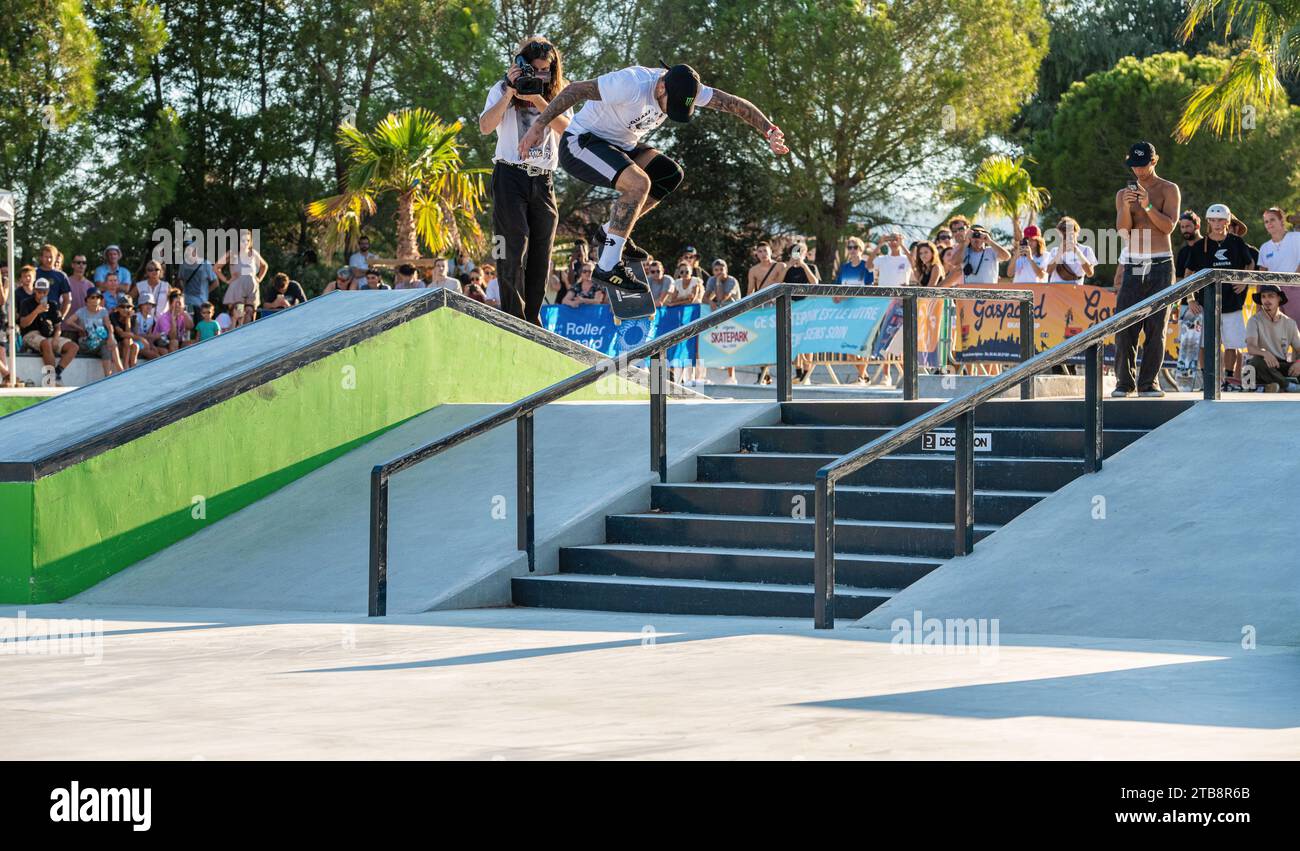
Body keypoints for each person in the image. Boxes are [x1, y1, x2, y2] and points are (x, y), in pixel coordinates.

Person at [519, 62, 788, 299]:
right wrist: (538, 127)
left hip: (620, 146)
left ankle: (608, 233)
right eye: (667, 107)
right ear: (661, 87)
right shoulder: (631, 83)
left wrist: (770, 130)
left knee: (670, 175)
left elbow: (733, 104)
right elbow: (574, 89)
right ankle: (607, 266)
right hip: (582, 143)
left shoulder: (686, 87)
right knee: (638, 184)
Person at [481, 36, 570, 324]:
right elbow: (484, 126)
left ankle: (532, 319)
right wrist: (510, 92)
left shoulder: (559, 94)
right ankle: (513, 317)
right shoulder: (501, 89)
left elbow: (568, 132)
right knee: (510, 246)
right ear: (522, 66)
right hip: (510, 175)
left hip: (543, 180)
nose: (541, 76)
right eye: (535, 70)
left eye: (547, 70)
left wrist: (539, 100)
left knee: (541, 253)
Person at [1112, 140, 1181, 398]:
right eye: (1134, 166)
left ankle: (1149, 382)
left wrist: (1148, 205)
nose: (1138, 172)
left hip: (1161, 262)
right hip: (1134, 262)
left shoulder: (1168, 189)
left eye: (1143, 166)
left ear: (1155, 161)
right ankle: (1124, 382)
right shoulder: (1122, 193)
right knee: (1125, 325)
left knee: (1156, 326)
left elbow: (1168, 227)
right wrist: (1129, 206)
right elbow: (1123, 230)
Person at [1181, 203, 1254, 391]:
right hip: (1207, 304)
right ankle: (1208, 381)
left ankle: (1228, 381)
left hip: (1232, 304)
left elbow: (1250, 262)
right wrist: (1190, 299)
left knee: (1232, 344)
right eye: (1212, 220)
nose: (1217, 223)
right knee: (1205, 343)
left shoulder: (1236, 242)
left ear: (1228, 221)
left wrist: (1244, 280)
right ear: (1207, 222)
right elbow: (1188, 274)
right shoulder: (1199, 246)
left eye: (1220, 219)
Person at [18, 272, 78, 386]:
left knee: (73, 347)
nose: (41, 294)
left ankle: (57, 373)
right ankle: (51, 379)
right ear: (34, 290)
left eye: (44, 292)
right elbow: (23, 324)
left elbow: (58, 326)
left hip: (48, 336)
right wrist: (37, 311)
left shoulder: (53, 304)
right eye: (39, 291)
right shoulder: (26, 303)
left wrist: (56, 338)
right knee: (46, 343)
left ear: (48, 291)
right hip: (31, 334)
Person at [1244, 285, 1300, 392]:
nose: (1266, 300)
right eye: (1263, 297)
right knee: (1256, 362)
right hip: (1262, 363)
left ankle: (1270, 386)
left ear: (1279, 298)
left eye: (1271, 296)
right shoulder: (1254, 320)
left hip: (1280, 365)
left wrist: (1299, 362)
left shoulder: (1290, 323)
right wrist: (1265, 353)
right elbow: (1251, 347)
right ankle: (1288, 386)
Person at [215, 230, 267, 327]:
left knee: (250, 315)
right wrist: (227, 280)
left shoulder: (253, 253)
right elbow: (216, 267)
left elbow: (264, 266)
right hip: (237, 288)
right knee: (237, 317)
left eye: (248, 240)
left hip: (251, 288)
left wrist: (259, 278)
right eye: (243, 240)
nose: (246, 243)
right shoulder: (232, 254)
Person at [1258, 206, 1300, 327]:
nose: (1269, 224)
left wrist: (1294, 281)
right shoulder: (1264, 247)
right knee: (1276, 333)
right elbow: (1261, 277)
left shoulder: (1297, 237)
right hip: (1273, 293)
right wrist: (1259, 303)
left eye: (1272, 220)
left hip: (1295, 289)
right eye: (1266, 221)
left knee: (1297, 333)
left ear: (1281, 221)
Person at [65, 288, 119, 377]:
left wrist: (111, 337)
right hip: (86, 343)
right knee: (108, 345)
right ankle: (120, 369)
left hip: (99, 343)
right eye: (92, 297)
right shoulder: (81, 311)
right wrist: (80, 328)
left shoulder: (103, 311)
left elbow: (109, 326)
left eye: (97, 297)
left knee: (107, 348)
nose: (95, 300)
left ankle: (108, 376)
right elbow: (68, 321)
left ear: (100, 300)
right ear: (87, 300)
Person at [177, 238, 218, 322]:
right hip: (188, 302)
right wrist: (183, 289)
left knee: (200, 327)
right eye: (186, 250)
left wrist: (206, 291)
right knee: (189, 326)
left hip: (201, 304)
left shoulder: (206, 264)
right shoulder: (183, 265)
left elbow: (216, 282)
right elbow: (180, 278)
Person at [1044, 217, 1096, 283]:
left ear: (1077, 233)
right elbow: (1048, 271)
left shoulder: (1086, 250)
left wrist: (1077, 252)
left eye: (1070, 233)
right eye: (1064, 234)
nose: (1067, 236)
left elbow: (1090, 273)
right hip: (1056, 290)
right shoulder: (1054, 251)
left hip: (1074, 290)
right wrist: (1060, 253)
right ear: (1060, 235)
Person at [33, 244, 72, 325]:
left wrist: (61, 317)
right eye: (46, 257)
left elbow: (67, 299)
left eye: (51, 257)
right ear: (41, 258)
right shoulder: (33, 273)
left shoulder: (61, 275)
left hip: (53, 317)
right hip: (34, 316)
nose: (49, 259)